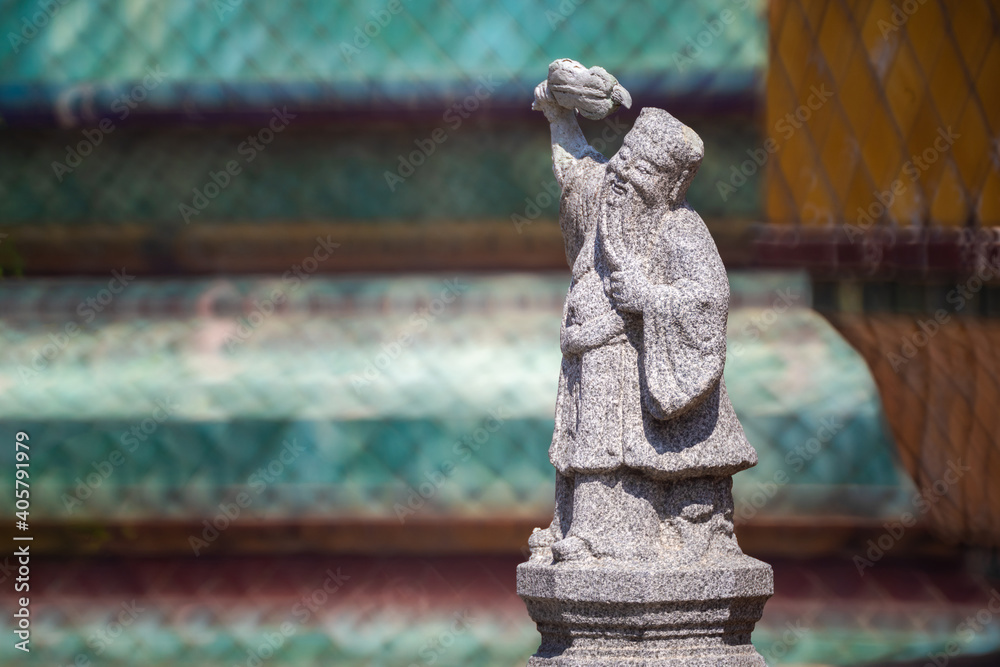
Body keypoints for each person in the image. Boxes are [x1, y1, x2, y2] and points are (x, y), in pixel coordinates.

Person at [528, 81, 757, 564]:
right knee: (578, 443)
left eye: (643, 169)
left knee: (615, 450)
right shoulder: (604, 193)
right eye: (626, 155)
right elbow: (576, 169)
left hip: (632, 362)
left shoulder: (680, 228)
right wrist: (558, 117)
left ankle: (605, 537)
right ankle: (570, 521)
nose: (625, 173)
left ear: (670, 185)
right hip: (583, 353)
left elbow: (708, 297)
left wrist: (648, 297)